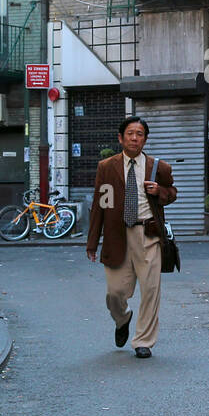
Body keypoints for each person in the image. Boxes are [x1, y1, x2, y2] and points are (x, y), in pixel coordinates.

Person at [87, 116, 177, 358]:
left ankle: (143, 341)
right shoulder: (107, 167)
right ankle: (122, 319)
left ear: (145, 139)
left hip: (148, 234)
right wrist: (92, 241)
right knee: (115, 293)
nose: (135, 137)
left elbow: (172, 193)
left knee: (150, 290)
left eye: (139, 134)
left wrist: (160, 192)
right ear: (120, 137)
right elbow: (99, 205)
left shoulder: (159, 167)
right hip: (116, 235)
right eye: (130, 133)